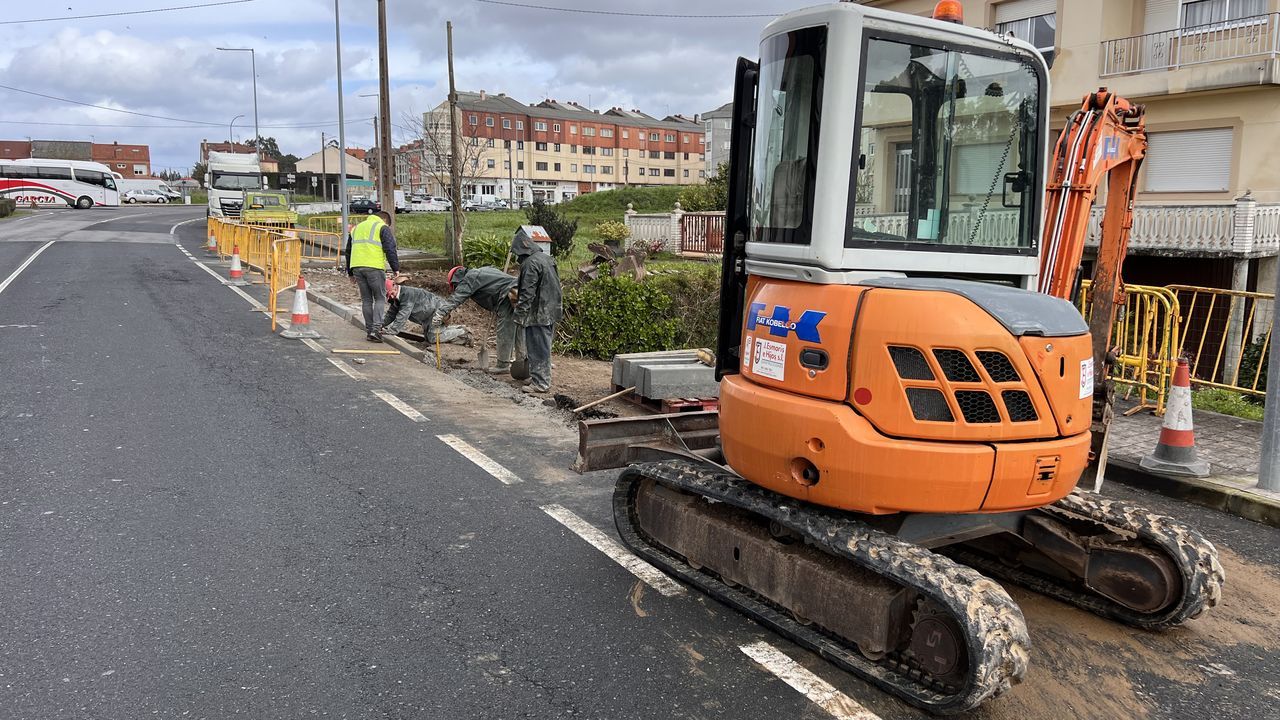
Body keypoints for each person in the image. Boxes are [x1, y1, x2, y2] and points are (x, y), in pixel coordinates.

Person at [430, 265, 523, 375]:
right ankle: (522, 363)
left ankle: (503, 365)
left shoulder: (471, 278)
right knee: (519, 329)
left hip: (507, 296)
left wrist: (440, 312)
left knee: (505, 331)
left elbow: (457, 297)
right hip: (517, 291)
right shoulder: (484, 270)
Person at [511, 233, 562, 394]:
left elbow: (527, 293)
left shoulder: (530, 264)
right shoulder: (546, 259)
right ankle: (537, 376)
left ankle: (541, 383)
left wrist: (519, 315)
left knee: (538, 348)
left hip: (538, 312)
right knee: (543, 346)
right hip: (551, 309)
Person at [343, 210, 399, 342]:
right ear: (385, 220)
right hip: (374, 267)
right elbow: (390, 249)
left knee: (367, 300)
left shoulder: (357, 229)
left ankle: (369, 331)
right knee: (379, 298)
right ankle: (376, 330)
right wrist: (396, 268)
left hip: (357, 267)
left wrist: (350, 273)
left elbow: (348, 252)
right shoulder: (382, 227)